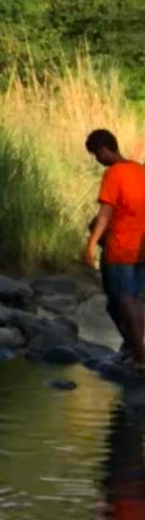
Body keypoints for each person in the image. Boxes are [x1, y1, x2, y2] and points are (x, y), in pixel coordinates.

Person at [84, 129, 145, 366]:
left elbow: (105, 215)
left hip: (121, 247)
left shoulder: (114, 174)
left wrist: (90, 244)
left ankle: (138, 353)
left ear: (103, 149)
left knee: (120, 300)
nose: (97, 160)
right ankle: (133, 348)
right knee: (136, 299)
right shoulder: (140, 171)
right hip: (142, 248)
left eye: (95, 154)